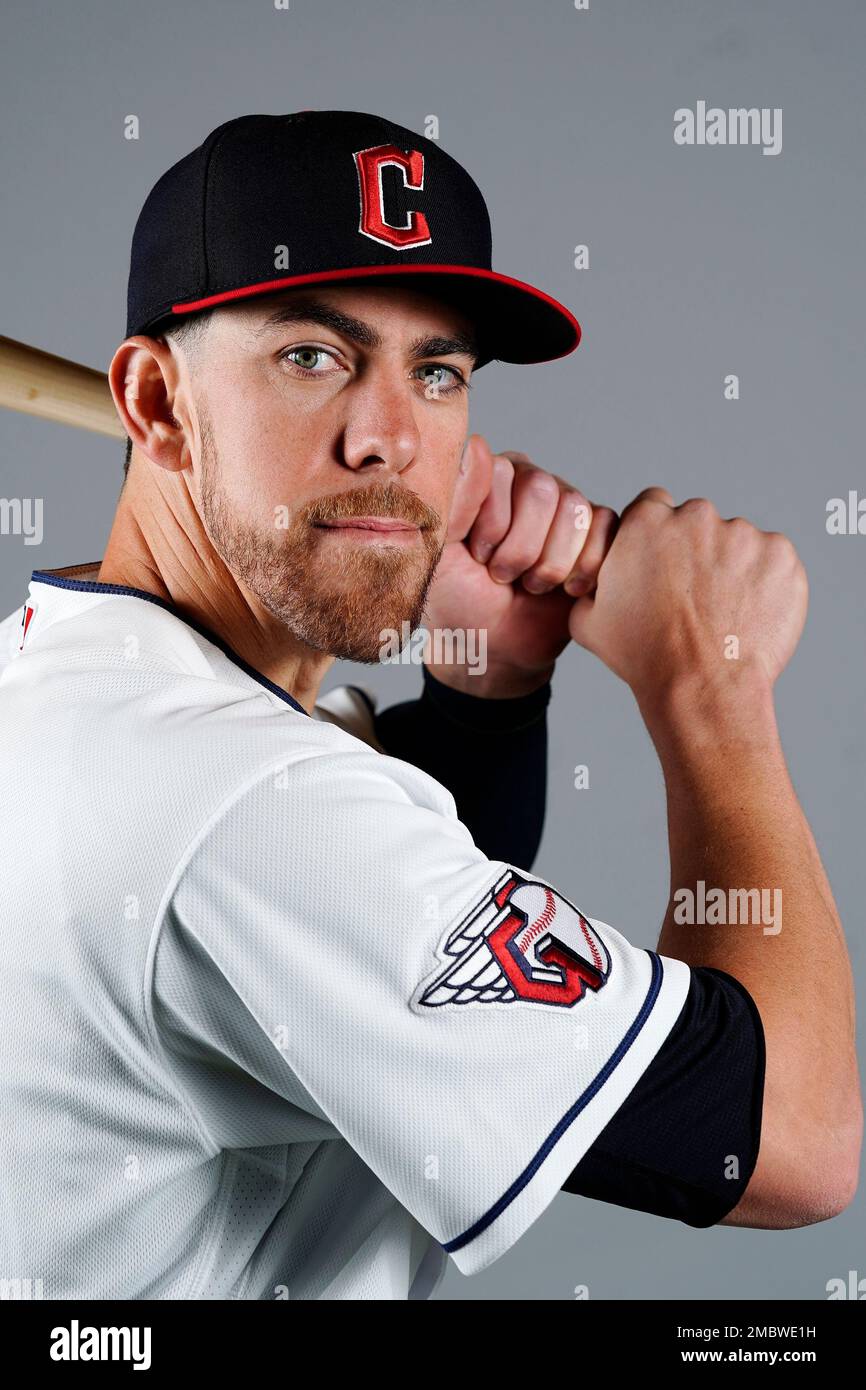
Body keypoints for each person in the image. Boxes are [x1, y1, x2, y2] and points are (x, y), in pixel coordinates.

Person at [0, 110, 859, 1301]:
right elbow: (791, 1140)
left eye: (437, 370)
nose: (391, 439)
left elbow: (374, 935)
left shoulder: (69, 687)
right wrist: (710, 686)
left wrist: (484, 687)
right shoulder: (245, 803)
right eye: (312, 356)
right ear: (154, 404)